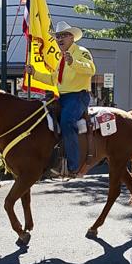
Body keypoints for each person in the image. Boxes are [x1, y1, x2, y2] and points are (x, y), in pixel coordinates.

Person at [25, 21, 96, 177]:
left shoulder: (82, 52)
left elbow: (91, 69)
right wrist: (34, 73)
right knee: (42, 119)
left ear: (72, 37)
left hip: (78, 96)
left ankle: (73, 165)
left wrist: (73, 62)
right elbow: (53, 80)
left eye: (63, 35)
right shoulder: (60, 58)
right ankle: (51, 159)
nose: (59, 39)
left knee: (66, 121)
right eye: (57, 36)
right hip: (61, 96)